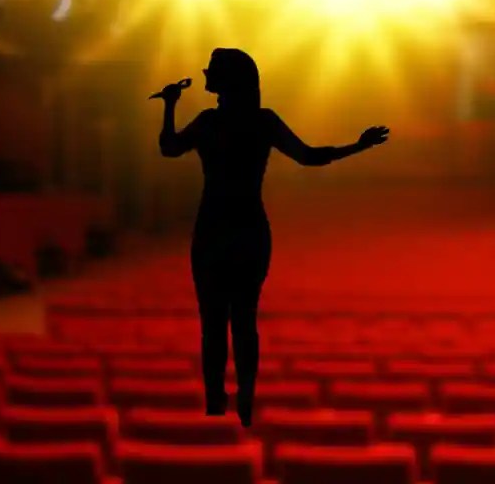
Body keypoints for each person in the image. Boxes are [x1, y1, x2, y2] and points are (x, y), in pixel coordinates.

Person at [152, 47, 389, 425]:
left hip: (212, 228)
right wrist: (358, 146)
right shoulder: (262, 121)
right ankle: (245, 403)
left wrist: (169, 105)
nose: (205, 75)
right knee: (244, 321)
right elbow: (310, 157)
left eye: (212, 70)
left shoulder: (208, 122)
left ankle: (216, 405)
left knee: (212, 324)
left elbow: (169, 148)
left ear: (226, 80)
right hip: (249, 229)